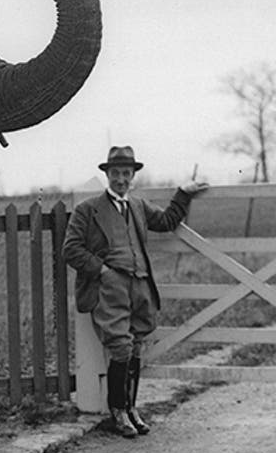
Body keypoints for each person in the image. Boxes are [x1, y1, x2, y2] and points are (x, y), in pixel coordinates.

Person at [63, 145, 209, 438]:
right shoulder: (88, 210)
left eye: (126, 174)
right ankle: (117, 411)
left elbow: (167, 221)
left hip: (140, 285)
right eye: (115, 173)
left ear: (133, 176)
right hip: (111, 288)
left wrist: (184, 193)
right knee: (121, 347)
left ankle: (132, 408)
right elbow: (71, 249)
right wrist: (102, 271)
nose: (121, 179)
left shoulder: (139, 206)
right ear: (107, 175)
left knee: (137, 344)